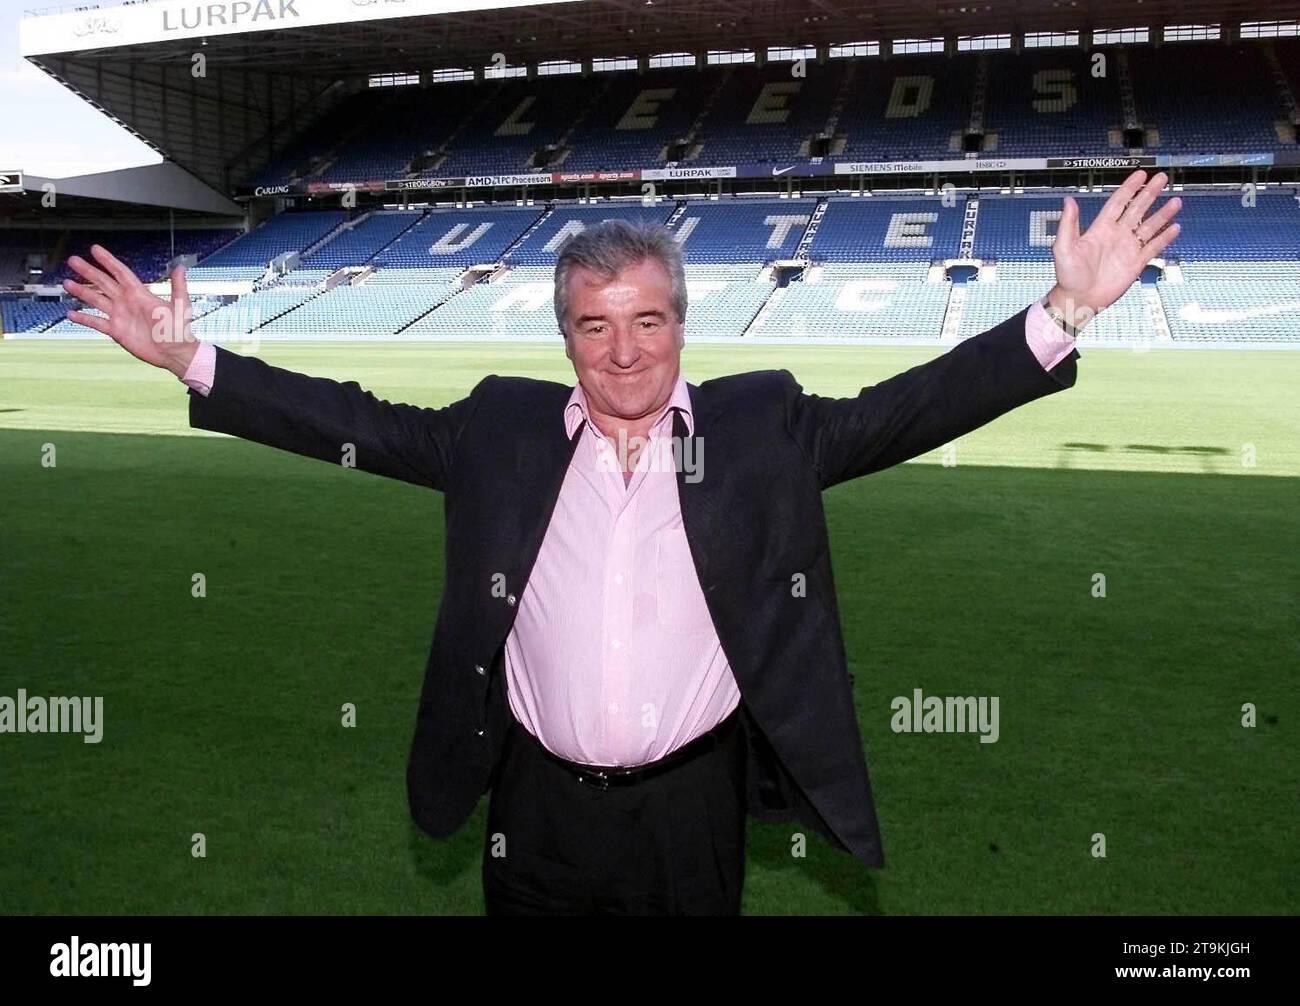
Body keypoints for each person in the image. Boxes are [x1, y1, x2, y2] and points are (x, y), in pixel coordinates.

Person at [63, 169, 1182, 915]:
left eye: (647, 320)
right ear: (566, 338)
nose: (625, 351)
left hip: (690, 814)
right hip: (533, 810)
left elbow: (913, 407)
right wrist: (190, 358)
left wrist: (1064, 310)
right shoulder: (499, 431)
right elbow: (347, 421)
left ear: (682, 324)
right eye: (595, 326)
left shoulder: (761, 429)